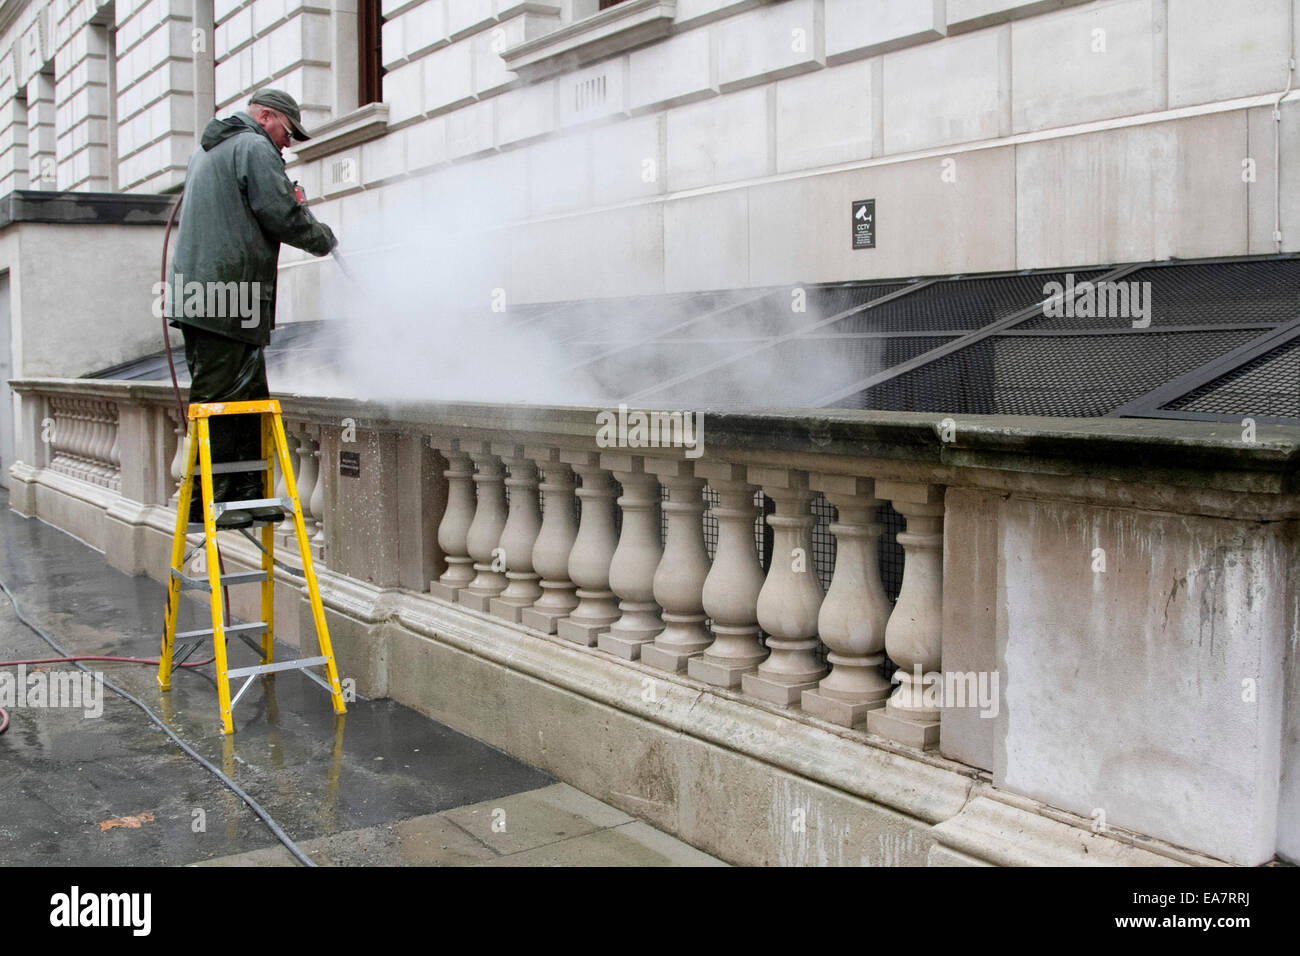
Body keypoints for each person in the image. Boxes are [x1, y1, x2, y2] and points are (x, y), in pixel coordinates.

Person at [167, 89, 337, 529]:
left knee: (245, 396)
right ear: (265, 116)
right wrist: (322, 236)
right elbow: (279, 213)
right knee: (222, 400)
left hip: (204, 298)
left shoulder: (207, 152)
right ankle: (210, 499)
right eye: (286, 132)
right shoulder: (253, 146)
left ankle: (245, 494)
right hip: (229, 297)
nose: (288, 143)